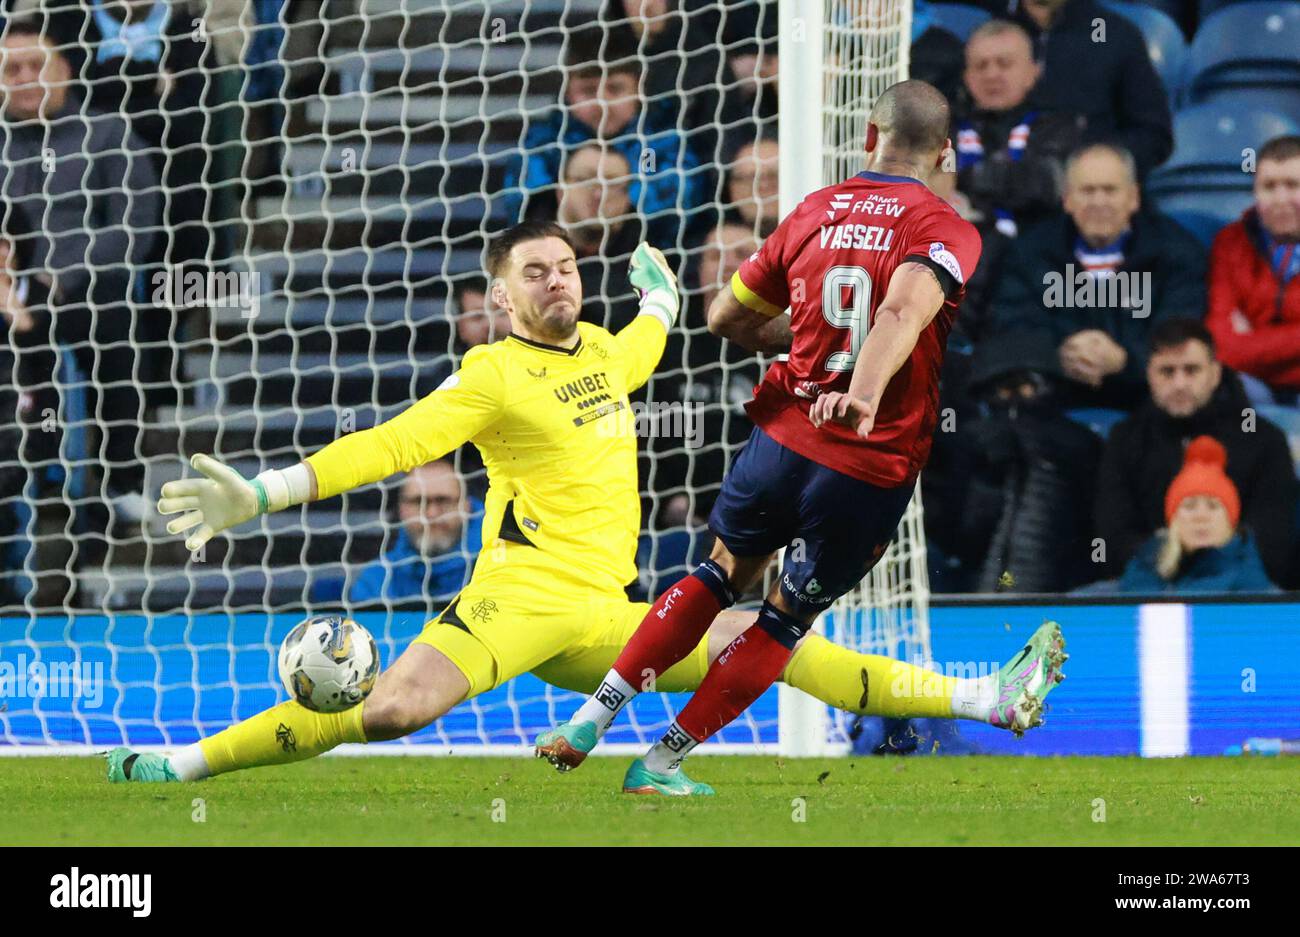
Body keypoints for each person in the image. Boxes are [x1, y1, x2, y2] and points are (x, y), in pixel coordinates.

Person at [109, 223, 1057, 786]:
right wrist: (267, 491)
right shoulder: (491, 373)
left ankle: (986, 696)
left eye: (565, 265)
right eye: (534, 270)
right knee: (393, 712)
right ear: (501, 295)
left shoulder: (608, 351)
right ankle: (185, 765)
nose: (557, 278)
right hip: (514, 600)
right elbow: (395, 442)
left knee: (776, 641)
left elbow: (652, 330)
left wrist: (662, 299)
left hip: (614, 615)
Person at [539, 81, 1067, 796]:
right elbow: (902, 312)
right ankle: (660, 762)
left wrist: (807, 333)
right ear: (946, 154)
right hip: (864, 463)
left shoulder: (814, 211)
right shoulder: (947, 227)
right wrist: (863, 394)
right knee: (784, 620)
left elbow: (725, 315)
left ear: (869, 138)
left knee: (716, 576)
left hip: (780, 438)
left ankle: (589, 719)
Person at [0, 16, 161, 525]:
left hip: (89, 286)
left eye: (35, 65)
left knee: (111, 320)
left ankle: (121, 478)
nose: (24, 78)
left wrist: (60, 277)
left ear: (65, 69)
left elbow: (136, 225)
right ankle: (35, 472)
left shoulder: (107, 131)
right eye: (10, 69)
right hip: (7, 288)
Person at [988, 143, 1206, 410]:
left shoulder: (1178, 252)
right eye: (1088, 191)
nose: (1098, 202)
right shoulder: (1029, 252)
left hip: (1149, 401)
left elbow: (1182, 334)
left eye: (1110, 190)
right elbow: (1012, 325)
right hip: (1053, 397)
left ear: (1134, 197)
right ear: (1067, 199)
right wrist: (1059, 355)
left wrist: (1125, 360)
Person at [1093, 318, 1296, 585]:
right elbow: (1112, 534)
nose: (1179, 383)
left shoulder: (1263, 439)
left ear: (1214, 374)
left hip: (1240, 590)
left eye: (1191, 370)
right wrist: (1167, 560)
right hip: (1145, 585)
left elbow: (1276, 538)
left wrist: (1212, 572)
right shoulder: (1125, 439)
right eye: (1167, 371)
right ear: (1149, 375)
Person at [501, 29, 703, 245]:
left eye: (615, 89)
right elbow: (525, 210)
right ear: (568, 93)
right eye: (587, 91)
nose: (602, 104)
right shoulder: (545, 143)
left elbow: (677, 207)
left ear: (639, 89)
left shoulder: (659, 144)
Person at [1006, 0, 1172, 179]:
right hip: (1004, 186)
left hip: (1093, 189)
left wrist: (1097, 161)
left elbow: (1152, 134)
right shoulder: (992, 32)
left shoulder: (1108, 32)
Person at [1117, 437, 1280, 594]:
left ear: (1230, 522)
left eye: (1213, 506)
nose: (1201, 517)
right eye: (1189, 506)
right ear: (1173, 520)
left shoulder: (1249, 582)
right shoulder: (1146, 564)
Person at [1205, 136, 1300, 403]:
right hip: (1250, 384)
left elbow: (1238, 349)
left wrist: (1253, 339)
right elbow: (1222, 347)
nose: (1280, 198)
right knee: (1222, 387)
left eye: (1293, 185)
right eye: (1269, 187)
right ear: (1255, 192)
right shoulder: (1229, 242)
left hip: (1254, 369)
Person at [348, 461, 484, 605]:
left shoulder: (496, 568)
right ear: (401, 508)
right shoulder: (377, 579)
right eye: (419, 502)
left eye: (443, 501)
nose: (432, 514)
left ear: (466, 506)